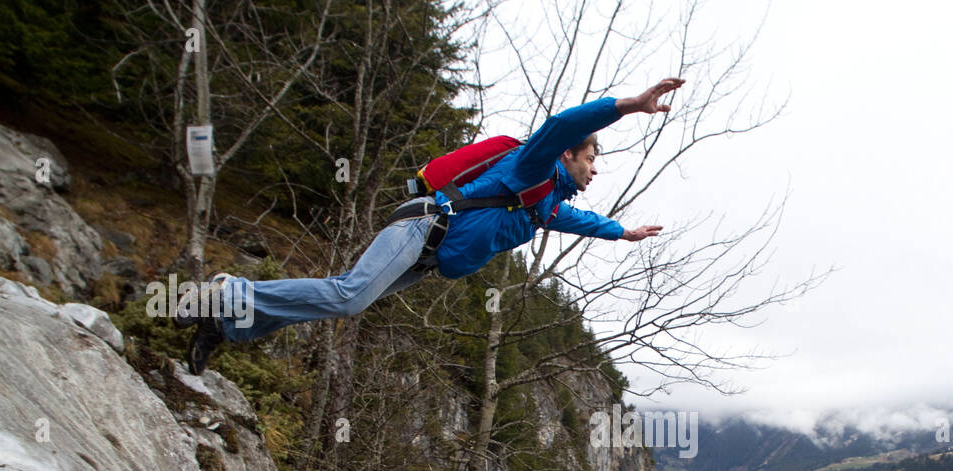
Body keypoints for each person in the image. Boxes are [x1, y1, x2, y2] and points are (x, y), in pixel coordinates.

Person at [178, 77, 685, 374]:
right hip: (422, 227)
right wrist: (628, 106)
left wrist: (624, 233)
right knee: (349, 296)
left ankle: (225, 323)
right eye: (592, 159)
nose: (594, 170)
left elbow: (585, 222)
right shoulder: (534, 166)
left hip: (423, 260)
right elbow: (560, 125)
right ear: (569, 156)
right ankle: (229, 292)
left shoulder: (548, 205)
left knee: (340, 304)